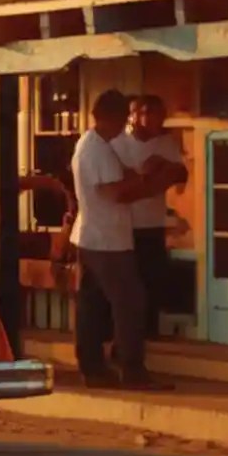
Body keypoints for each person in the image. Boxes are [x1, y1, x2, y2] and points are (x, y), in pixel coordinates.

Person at [70, 89, 171, 390]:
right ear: (112, 118)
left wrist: (136, 177)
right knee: (130, 302)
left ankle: (93, 367)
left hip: (95, 236)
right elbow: (115, 192)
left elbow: (123, 177)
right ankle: (131, 368)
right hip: (106, 240)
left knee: (92, 304)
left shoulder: (96, 145)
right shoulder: (96, 149)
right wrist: (149, 183)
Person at [111, 94, 188, 335]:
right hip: (124, 225)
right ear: (134, 115)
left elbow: (180, 174)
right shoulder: (117, 144)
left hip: (152, 224)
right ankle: (123, 334)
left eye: (161, 115)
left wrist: (163, 167)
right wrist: (145, 177)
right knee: (126, 283)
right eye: (151, 114)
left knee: (153, 278)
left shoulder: (166, 144)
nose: (158, 120)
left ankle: (149, 332)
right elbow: (118, 185)